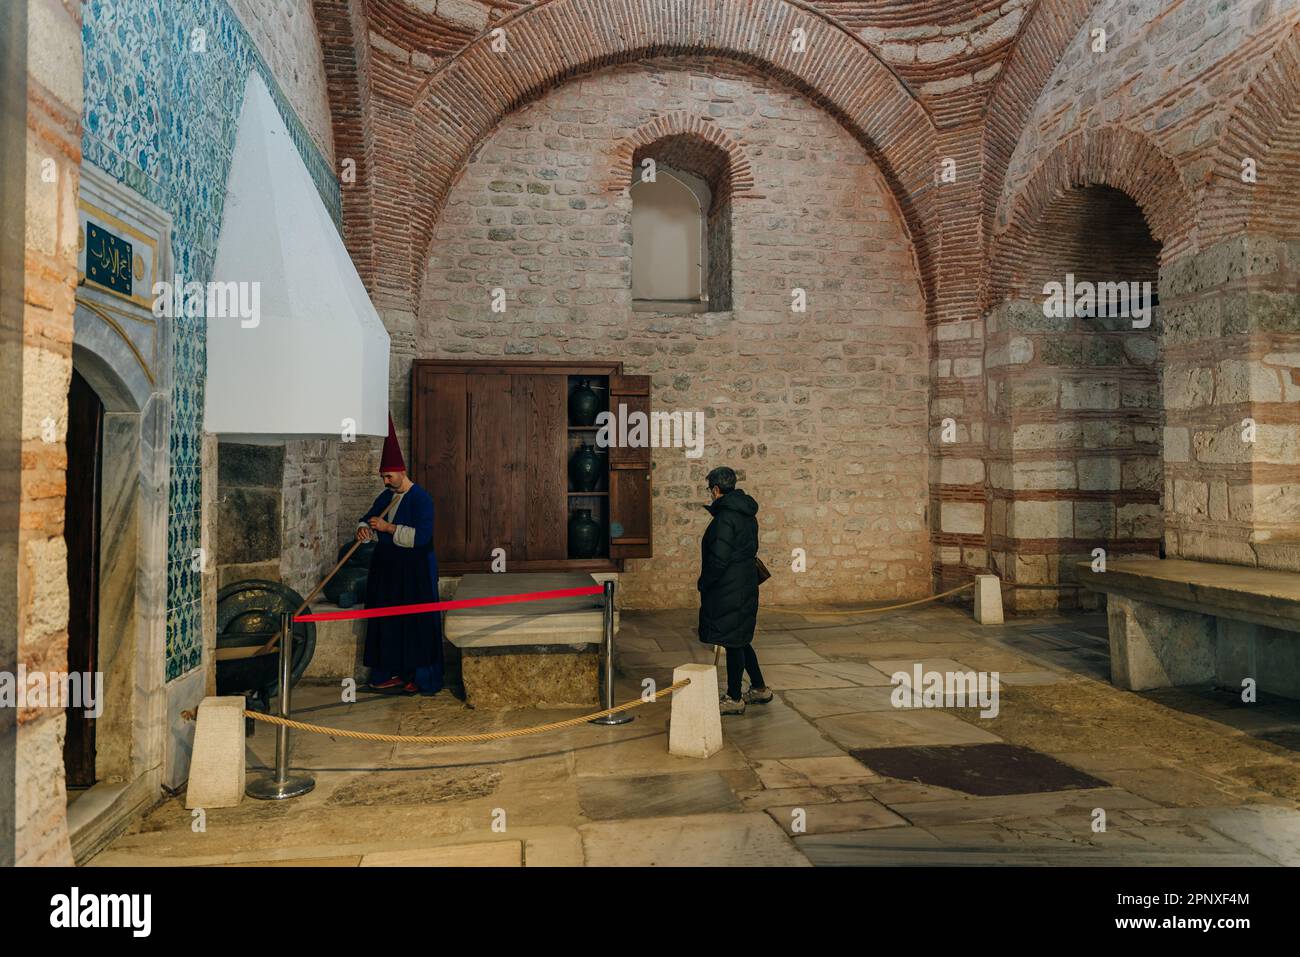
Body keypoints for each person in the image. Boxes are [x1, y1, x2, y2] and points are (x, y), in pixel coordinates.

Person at [355, 415, 443, 695]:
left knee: (415, 625)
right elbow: (368, 518)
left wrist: (387, 528)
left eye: (388, 475)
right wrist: (363, 529)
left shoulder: (422, 499)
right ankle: (387, 673)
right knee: (388, 623)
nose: (385, 480)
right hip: (389, 573)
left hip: (415, 574)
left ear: (402, 471)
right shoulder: (385, 496)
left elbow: (422, 537)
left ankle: (418, 677)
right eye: (382, 476)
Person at [697, 466, 771, 715]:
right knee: (740, 638)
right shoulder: (746, 513)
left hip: (729, 587)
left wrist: (704, 583)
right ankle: (760, 689)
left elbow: (719, 559)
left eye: (710, 490)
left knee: (733, 640)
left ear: (716, 489)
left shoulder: (726, 518)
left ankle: (734, 697)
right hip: (744, 582)